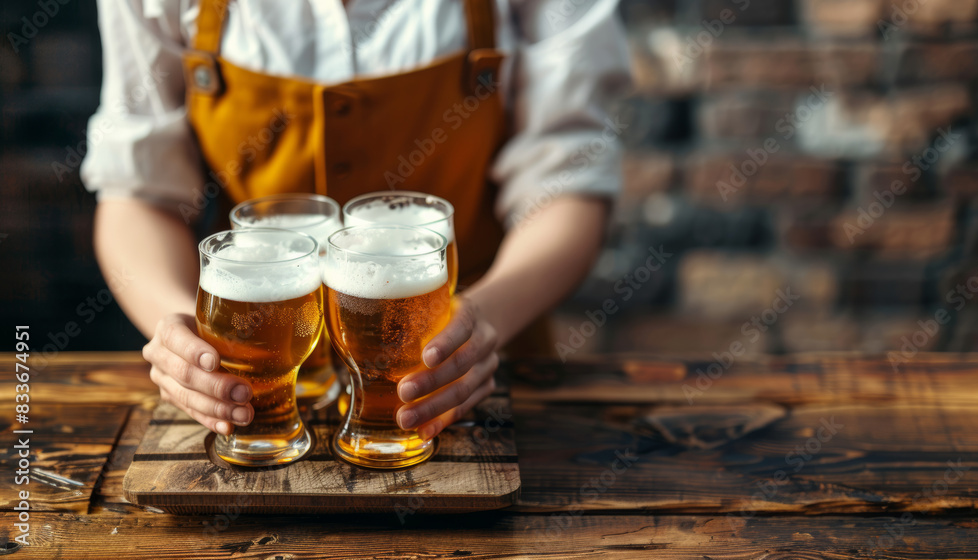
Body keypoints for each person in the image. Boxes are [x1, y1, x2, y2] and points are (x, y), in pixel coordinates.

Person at [82, 0, 631, 440]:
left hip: (475, 382)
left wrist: (486, 319)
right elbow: (138, 192)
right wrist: (180, 335)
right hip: (249, 378)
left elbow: (568, 181)